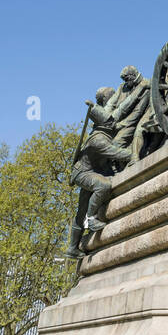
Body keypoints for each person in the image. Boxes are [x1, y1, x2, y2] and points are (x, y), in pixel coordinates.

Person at [67, 88, 134, 257]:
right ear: (103, 125)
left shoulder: (100, 134)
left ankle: (72, 248)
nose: (112, 124)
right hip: (83, 173)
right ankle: (91, 219)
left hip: (88, 172)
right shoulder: (98, 139)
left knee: (80, 210)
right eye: (109, 122)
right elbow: (115, 153)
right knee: (103, 185)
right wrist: (133, 154)